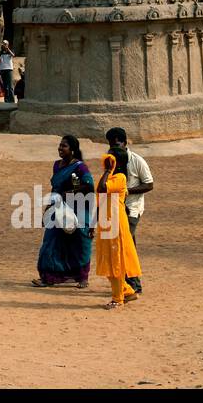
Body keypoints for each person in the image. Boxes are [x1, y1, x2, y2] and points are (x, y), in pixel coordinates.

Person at [32, 134, 94, 287]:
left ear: (72, 150)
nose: (60, 148)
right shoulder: (57, 165)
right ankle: (49, 277)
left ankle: (82, 277)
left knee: (80, 242)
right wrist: (47, 210)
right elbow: (55, 189)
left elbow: (89, 187)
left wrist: (71, 192)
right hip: (58, 208)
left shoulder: (80, 167)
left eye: (64, 146)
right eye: (59, 145)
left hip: (78, 208)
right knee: (50, 241)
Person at [106, 126, 153, 295]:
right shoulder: (111, 161)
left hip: (132, 209)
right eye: (111, 145)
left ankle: (131, 284)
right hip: (116, 209)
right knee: (127, 245)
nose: (113, 148)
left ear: (125, 143)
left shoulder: (137, 161)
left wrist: (126, 191)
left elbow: (149, 184)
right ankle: (130, 284)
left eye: (116, 145)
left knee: (125, 246)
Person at [94, 145, 142, 308]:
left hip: (116, 226)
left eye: (111, 159)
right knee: (108, 260)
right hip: (106, 224)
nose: (107, 161)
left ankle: (117, 298)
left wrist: (108, 171)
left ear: (118, 163)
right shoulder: (110, 177)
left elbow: (101, 188)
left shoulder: (120, 177)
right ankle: (127, 291)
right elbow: (100, 199)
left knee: (116, 262)